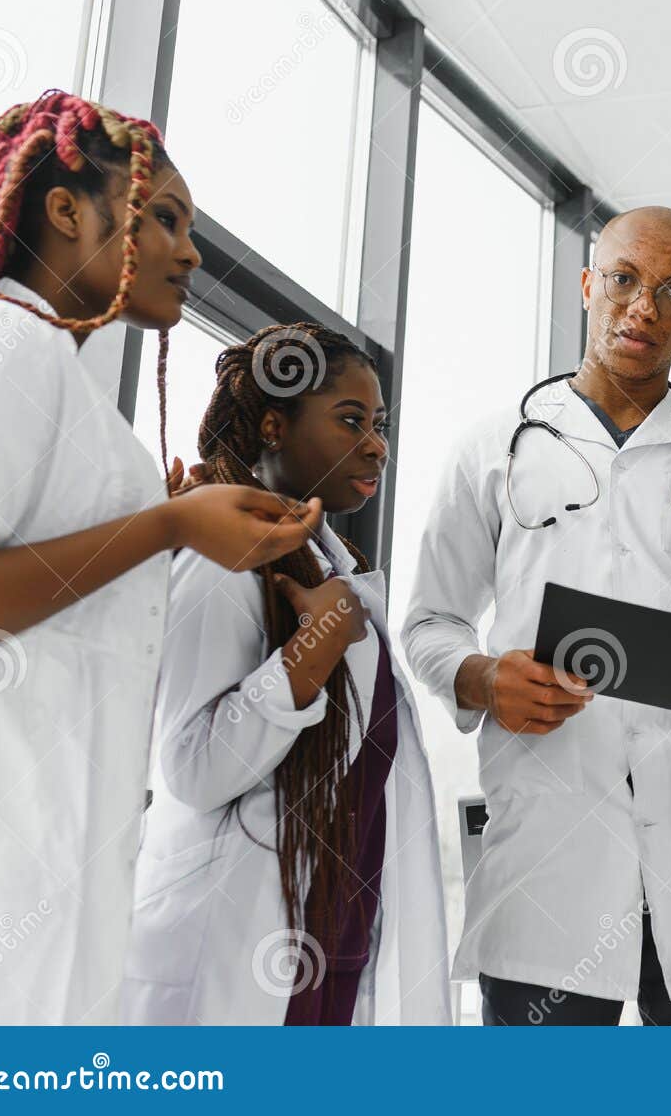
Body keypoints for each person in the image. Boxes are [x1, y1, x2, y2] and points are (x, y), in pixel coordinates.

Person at [0, 92, 317, 1025]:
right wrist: (169, 528)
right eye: (164, 219)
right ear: (69, 213)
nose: (190, 252)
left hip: (41, 880)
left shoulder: (49, 373)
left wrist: (167, 519)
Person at [403, 206, 671, 1025]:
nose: (644, 307)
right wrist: (482, 677)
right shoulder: (493, 449)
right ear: (588, 285)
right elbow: (429, 624)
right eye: (623, 279)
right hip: (551, 849)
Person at [122, 324, 449, 1025]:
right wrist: (312, 651)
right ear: (274, 425)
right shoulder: (220, 566)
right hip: (237, 949)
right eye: (351, 421)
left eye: (380, 425)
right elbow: (194, 769)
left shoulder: (333, 573)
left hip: (328, 938)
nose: (377, 446)